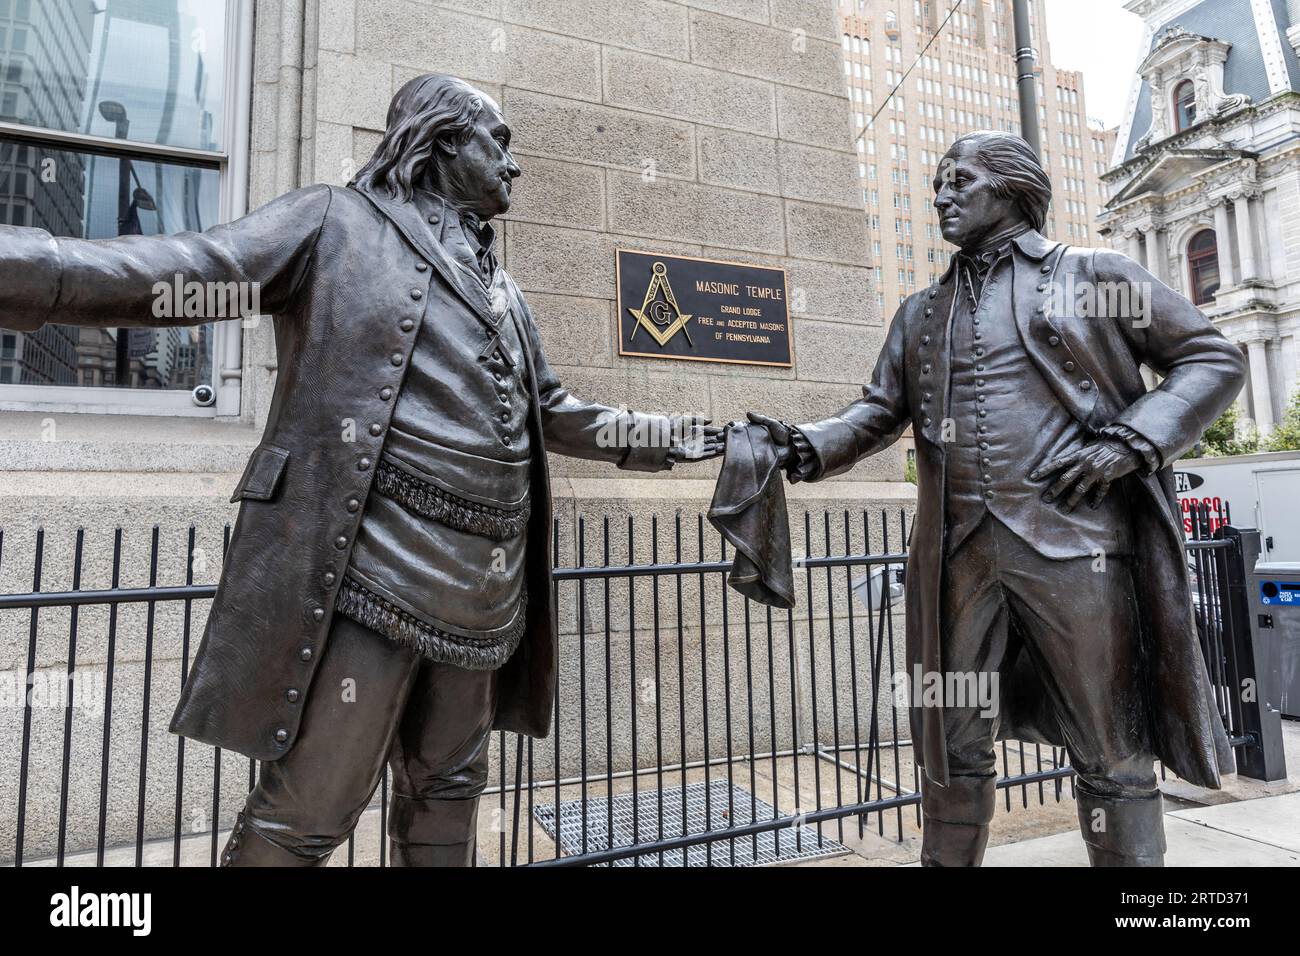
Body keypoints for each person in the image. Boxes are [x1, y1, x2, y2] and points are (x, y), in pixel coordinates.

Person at [0, 74, 721, 866]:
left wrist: (694, 434)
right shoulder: (334, 223)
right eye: (500, 143)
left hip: (484, 590)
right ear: (446, 141)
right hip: (368, 572)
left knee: (447, 795)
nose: (513, 167)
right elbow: (187, 270)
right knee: (309, 808)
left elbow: (559, 410)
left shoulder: (506, 295)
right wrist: (29, 264)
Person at [748, 130, 1245, 866]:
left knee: (1112, 749)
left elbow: (1212, 357)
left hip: (1077, 553)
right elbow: (879, 411)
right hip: (958, 563)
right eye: (938, 185)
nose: (942, 197)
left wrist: (1132, 442)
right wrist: (806, 443)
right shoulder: (921, 312)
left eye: (960, 181)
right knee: (950, 751)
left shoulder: (1092, 275)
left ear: (1012, 189)